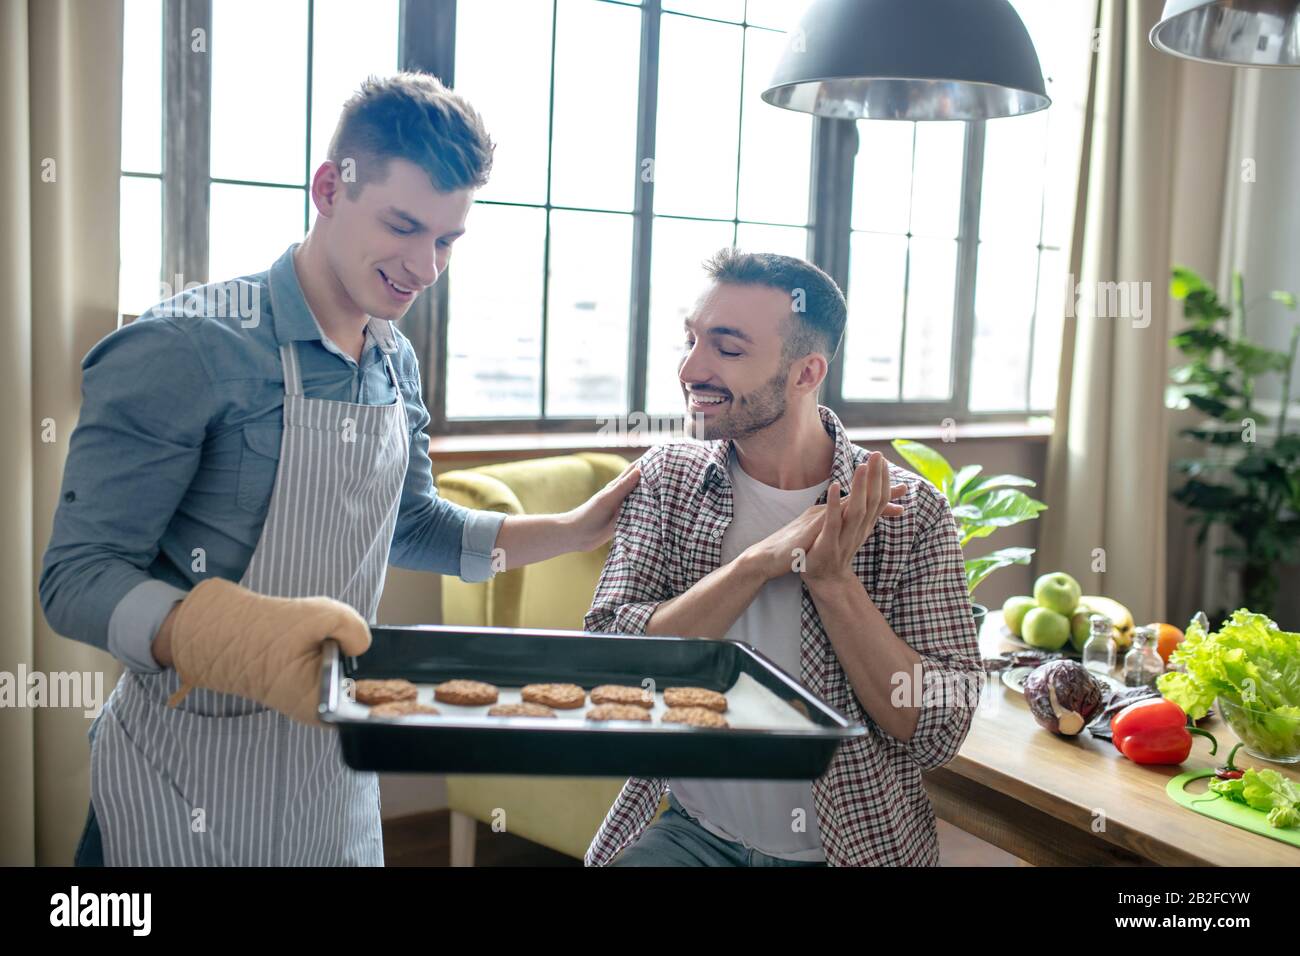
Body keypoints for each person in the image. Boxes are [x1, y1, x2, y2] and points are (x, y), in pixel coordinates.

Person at [40, 72, 638, 866]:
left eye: (448, 240)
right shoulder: (188, 348)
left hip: (333, 779)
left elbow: (411, 524)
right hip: (181, 776)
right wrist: (243, 638)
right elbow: (75, 579)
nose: (425, 267)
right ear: (330, 187)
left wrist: (569, 530)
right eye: (404, 226)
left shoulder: (393, 359)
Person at [583, 249, 981, 867]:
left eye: (727, 349)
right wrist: (756, 563)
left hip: (850, 852)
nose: (691, 368)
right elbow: (614, 666)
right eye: (690, 341)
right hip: (690, 834)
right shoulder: (668, 479)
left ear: (805, 373)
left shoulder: (910, 512)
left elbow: (935, 728)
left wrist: (833, 582)